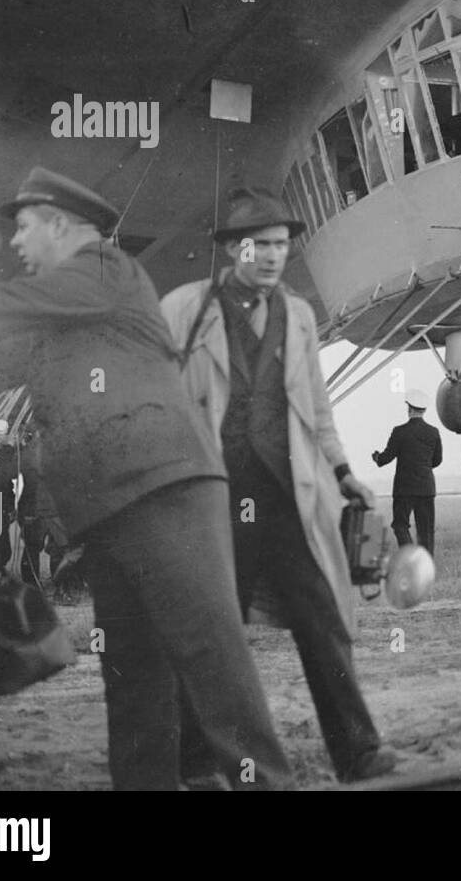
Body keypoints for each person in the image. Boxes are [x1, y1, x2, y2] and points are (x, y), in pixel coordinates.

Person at [0, 168, 291, 791]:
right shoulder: (59, 311)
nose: (15, 244)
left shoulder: (106, 270)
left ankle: (270, 784)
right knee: (132, 677)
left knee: (208, 652)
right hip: (107, 507)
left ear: (62, 225)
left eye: (24, 228)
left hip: (161, 486)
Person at [162, 186, 396, 786]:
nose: (271, 256)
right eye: (259, 245)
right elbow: (159, 400)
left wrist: (345, 475)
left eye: (280, 245)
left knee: (323, 621)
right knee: (213, 634)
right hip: (213, 499)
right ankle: (192, 761)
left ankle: (360, 753)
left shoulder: (297, 314)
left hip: (288, 497)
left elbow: (317, 411)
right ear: (231, 249)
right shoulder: (186, 309)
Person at [374, 389, 443, 554]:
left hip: (404, 488)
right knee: (426, 531)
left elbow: (386, 458)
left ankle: (411, 557)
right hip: (426, 487)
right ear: (424, 410)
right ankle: (426, 566)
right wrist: (423, 467)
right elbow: (437, 460)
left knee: (400, 525)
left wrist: (377, 457)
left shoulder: (399, 431)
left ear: (409, 409)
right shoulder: (433, 432)